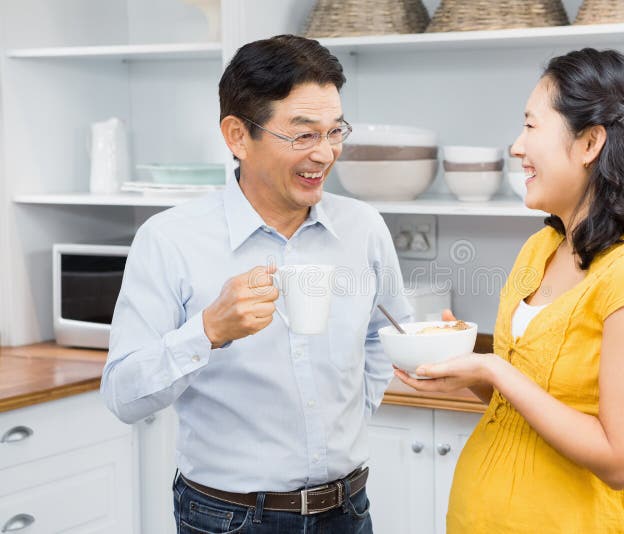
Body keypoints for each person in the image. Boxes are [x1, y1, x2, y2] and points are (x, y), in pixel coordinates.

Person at [101, 34, 412, 534]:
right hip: (228, 518)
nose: (326, 154)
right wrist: (206, 331)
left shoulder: (364, 228)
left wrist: (349, 417)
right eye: (303, 135)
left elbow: (385, 335)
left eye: (335, 131)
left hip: (348, 510)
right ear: (237, 136)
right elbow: (122, 395)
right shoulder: (168, 239)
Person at [396, 48, 624, 533]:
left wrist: (493, 367)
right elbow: (534, 401)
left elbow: (620, 460)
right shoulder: (541, 247)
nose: (516, 146)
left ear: (591, 141)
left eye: (531, 127)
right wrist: (468, 371)